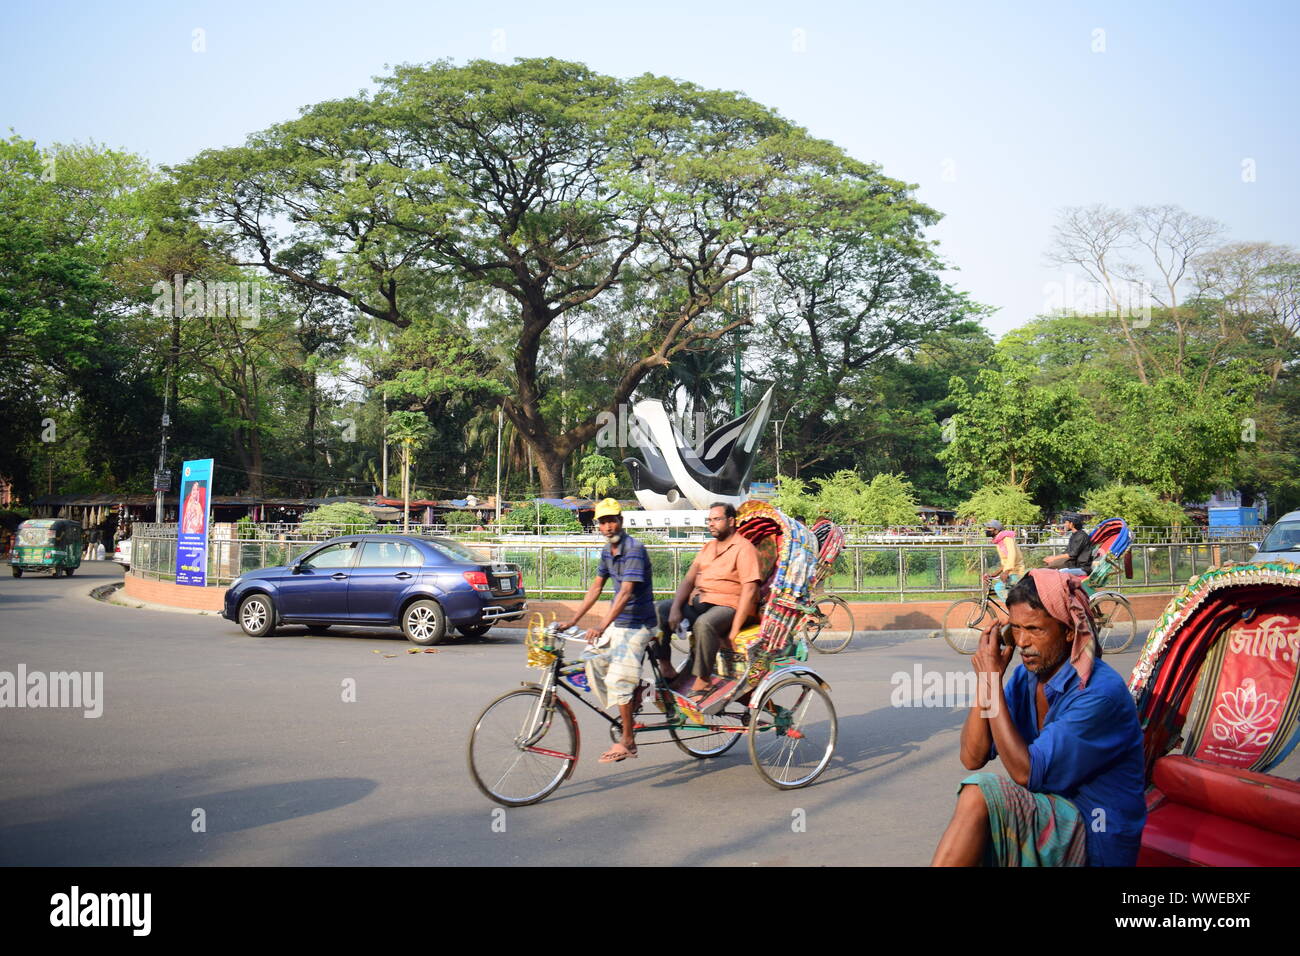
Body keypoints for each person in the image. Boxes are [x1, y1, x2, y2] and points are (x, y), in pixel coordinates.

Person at [931, 569, 1147, 866]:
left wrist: (992, 683)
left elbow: (1024, 772)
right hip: (1052, 814)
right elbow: (972, 755)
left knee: (980, 794)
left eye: (1035, 629)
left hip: (1095, 829)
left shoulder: (1099, 694)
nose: (1022, 642)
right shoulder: (1026, 677)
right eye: (1016, 629)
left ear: (1069, 630)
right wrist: (985, 683)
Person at [558, 498, 657, 764]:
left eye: (612, 520)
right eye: (603, 522)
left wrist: (601, 625)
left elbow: (625, 593)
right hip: (618, 623)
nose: (608, 526)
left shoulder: (633, 549)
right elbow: (596, 587)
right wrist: (573, 620)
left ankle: (628, 741)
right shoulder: (606, 551)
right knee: (592, 663)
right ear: (598, 526)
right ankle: (636, 690)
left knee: (618, 681)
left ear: (621, 521)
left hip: (638, 624)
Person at [655, 502, 763, 705]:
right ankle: (666, 667)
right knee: (661, 609)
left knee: (704, 623)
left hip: (729, 606)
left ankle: (703, 680)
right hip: (702, 602)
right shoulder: (708, 547)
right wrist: (676, 608)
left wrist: (734, 631)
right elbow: (688, 580)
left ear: (731, 521)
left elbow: (749, 591)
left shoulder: (744, 548)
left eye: (716, 519)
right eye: (709, 520)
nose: (711, 524)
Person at [984, 520, 1023, 600]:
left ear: (996, 530)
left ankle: (1015, 609)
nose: (987, 530)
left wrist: (1006, 572)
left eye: (989, 528)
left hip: (1016, 572)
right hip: (1011, 572)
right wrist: (994, 574)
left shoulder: (1007, 539)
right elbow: (1006, 562)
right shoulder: (1000, 541)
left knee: (999, 587)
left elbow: (1012, 555)